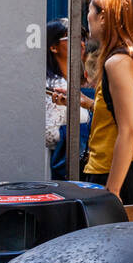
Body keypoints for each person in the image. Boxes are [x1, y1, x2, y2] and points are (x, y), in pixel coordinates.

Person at [83, 0, 133, 203]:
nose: (87, 17)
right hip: (130, 169)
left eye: (90, 10)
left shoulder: (118, 62)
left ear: (104, 17)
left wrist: (112, 191)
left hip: (116, 172)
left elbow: (128, 130)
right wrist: (88, 104)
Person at [44, 18, 94, 179]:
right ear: (53, 47)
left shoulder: (84, 81)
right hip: (60, 170)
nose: (81, 43)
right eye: (71, 37)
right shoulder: (50, 85)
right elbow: (49, 134)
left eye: (82, 38)